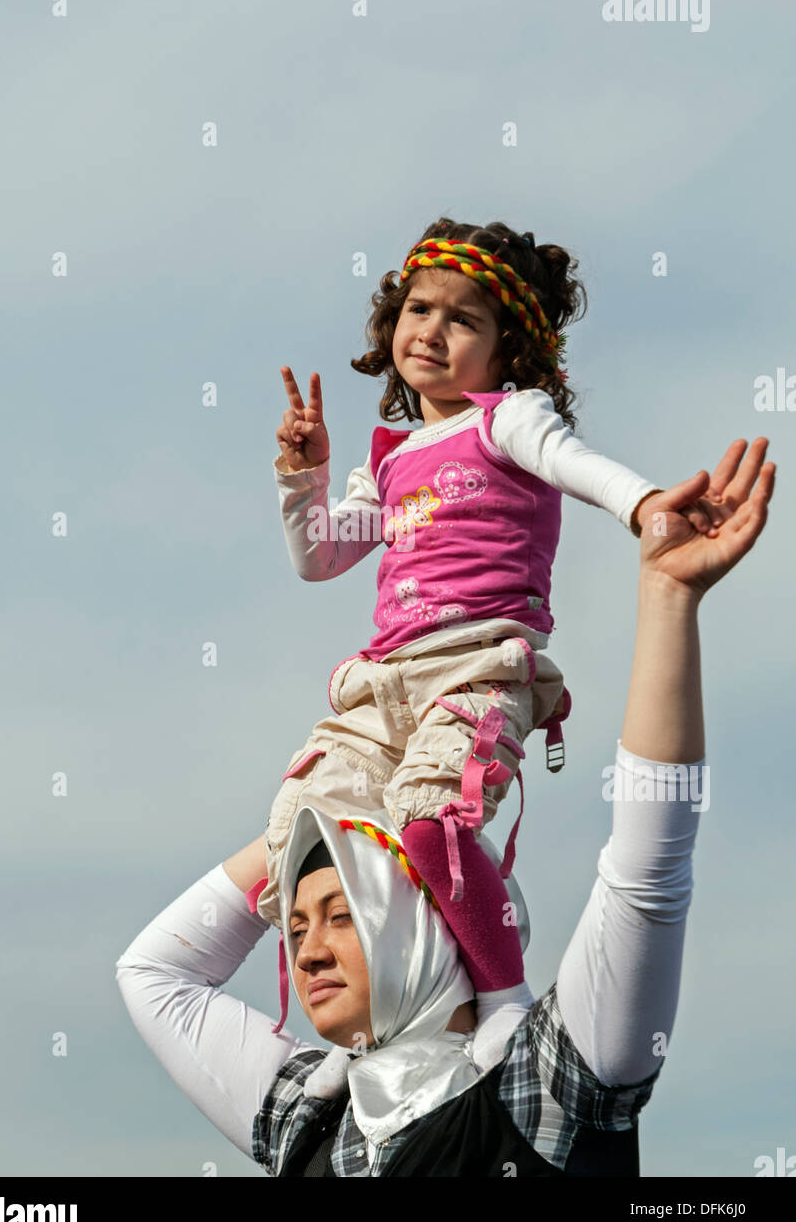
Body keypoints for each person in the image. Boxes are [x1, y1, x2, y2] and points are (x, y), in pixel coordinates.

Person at [115, 436, 774, 1176]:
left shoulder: (538, 1087)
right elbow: (152, 974)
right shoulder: (312, 1117)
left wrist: (667, 600)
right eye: (296, 925)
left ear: (434, 924)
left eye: (343, 915)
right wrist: (337, 801)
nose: (306, 949)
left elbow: (647, 871)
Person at [257, 217, 723, 1067]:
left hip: (478, 667)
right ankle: (376, 1037)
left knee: (432, 822)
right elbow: (320, 557)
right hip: (385, 683)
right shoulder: (391, 458)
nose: (431, 331)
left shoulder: (507, 420)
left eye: (463, 319)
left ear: (509, 350)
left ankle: (503, 1000)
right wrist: (305, 476)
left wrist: (647, 506)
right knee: (297, 832)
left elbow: (577, 464)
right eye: (419, 309)